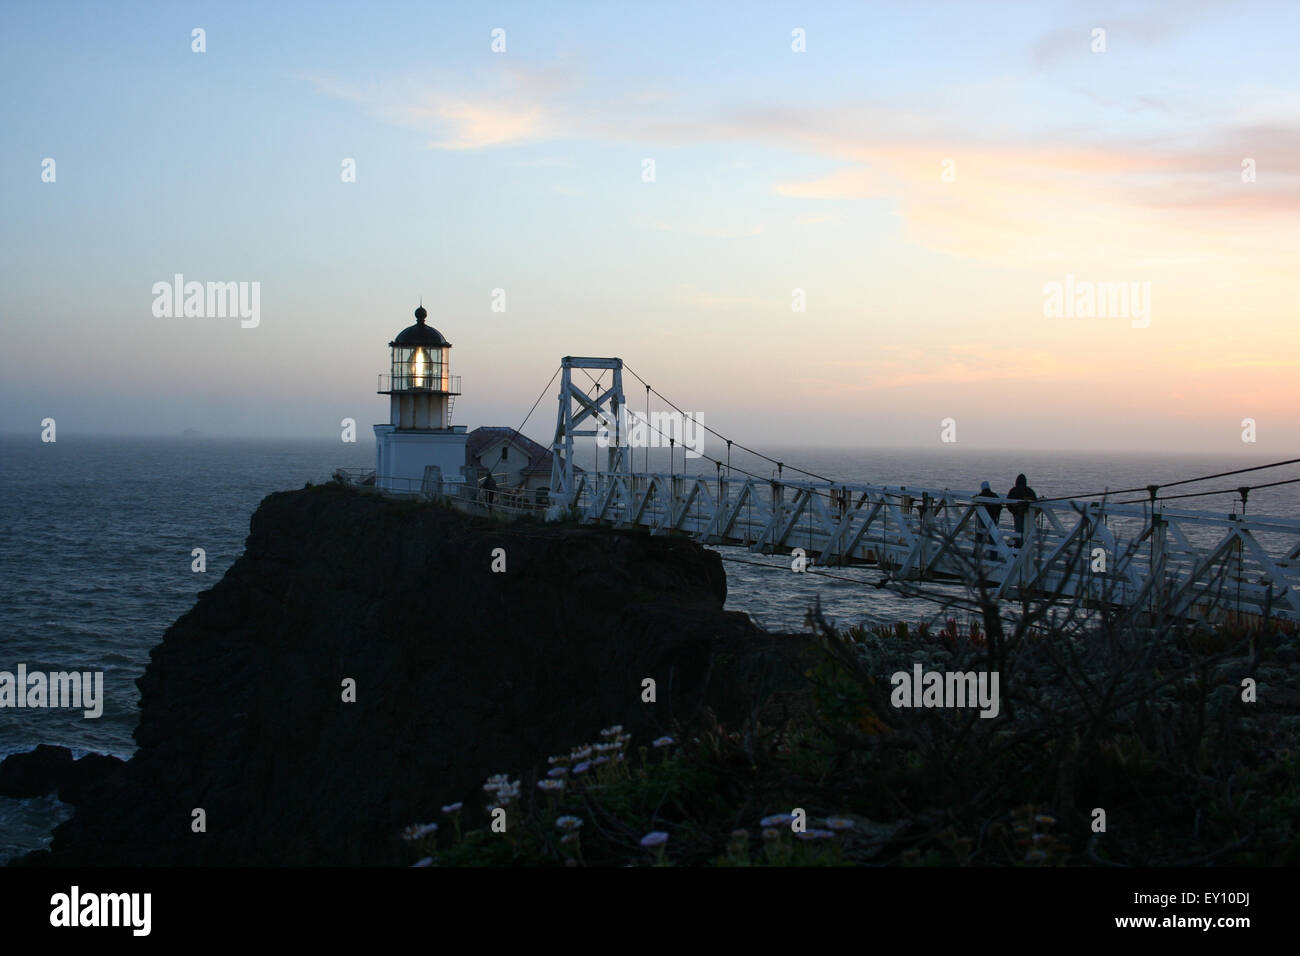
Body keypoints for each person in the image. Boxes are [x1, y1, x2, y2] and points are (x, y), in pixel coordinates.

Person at [1006, 473, 1038, 548]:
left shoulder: (1013, 491)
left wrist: (1014, 512)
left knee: (1018, 532)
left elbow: (1008, 503)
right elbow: (1035, 501)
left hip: (1017, 515)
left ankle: (1018, 549)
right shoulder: (1029, 491)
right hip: (1028, 515)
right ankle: (1025, 549)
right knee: (1026, 533)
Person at [975, 480, 1002, 558]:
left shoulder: (980, 496)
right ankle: (993, 556)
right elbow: (999, 506)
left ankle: (976, 554)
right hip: (992, 520)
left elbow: (976, 507)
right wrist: (997, 516)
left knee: (979, 537)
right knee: (993, 539)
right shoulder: (994, 495)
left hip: (982, 520)